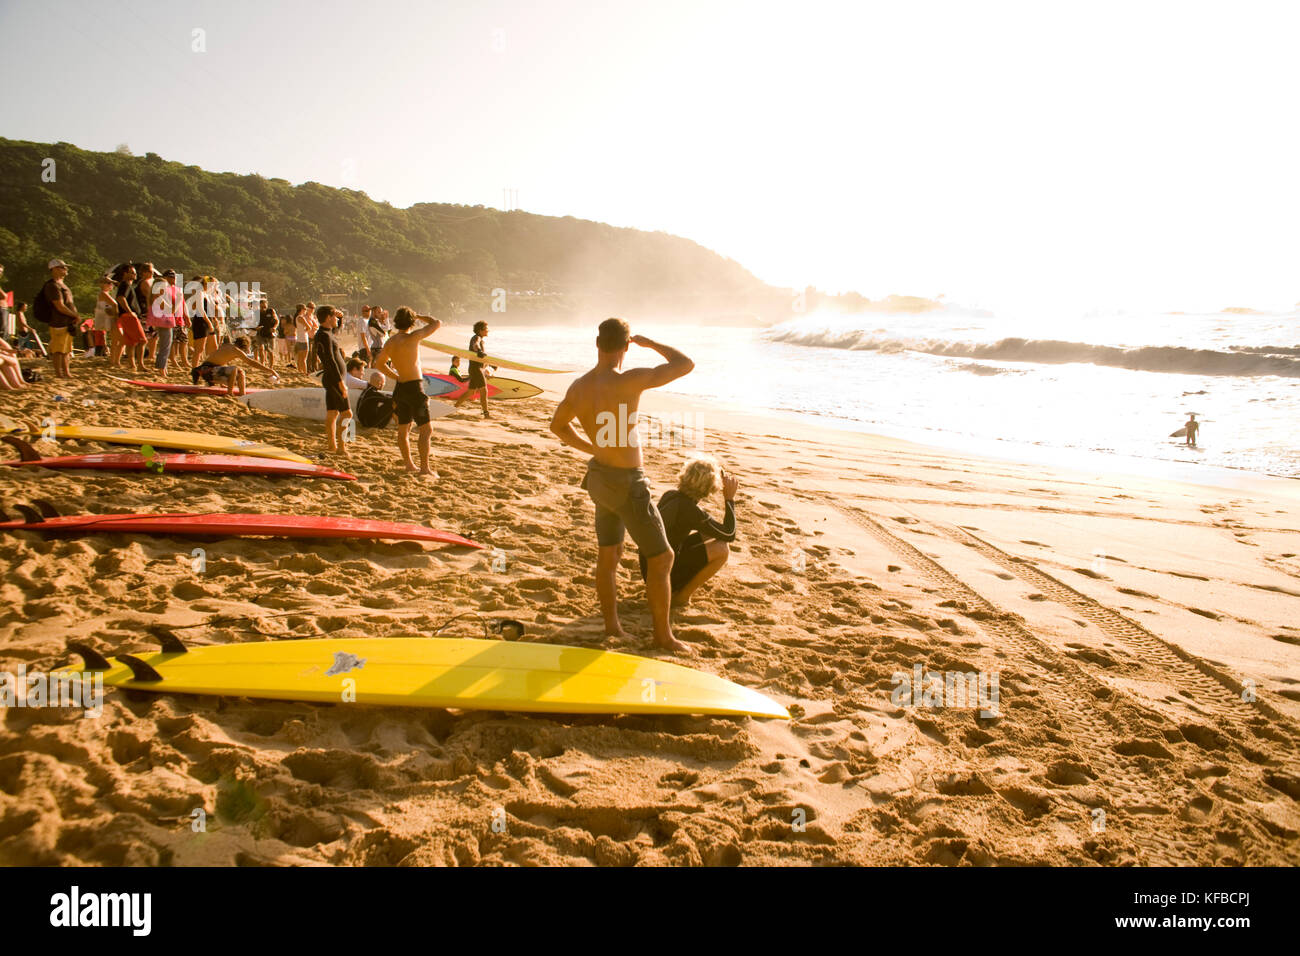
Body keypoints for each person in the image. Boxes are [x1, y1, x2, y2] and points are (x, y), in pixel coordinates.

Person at [549, 318, 694, 652]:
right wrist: (653, 343)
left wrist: (592, 447)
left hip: (599, 477)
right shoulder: (629, 381)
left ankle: (613, 627)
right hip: (628, 483)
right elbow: (685, 364)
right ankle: (663, 637)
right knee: (662, 558)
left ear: (597, 343)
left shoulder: (579, 387)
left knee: (609, 554)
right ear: (626, 346)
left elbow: (558, 426)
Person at [639, 458, 739, 606]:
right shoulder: (690, 511)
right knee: (722, 549)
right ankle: (682, 597)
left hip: (649, 567)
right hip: (662, 575)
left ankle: (672, 589)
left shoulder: (671, 495)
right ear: (709, 488)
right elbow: (730, 534)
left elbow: (716, 530)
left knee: (711, 533)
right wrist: (729, 499)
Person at [373, 307, 443, 475]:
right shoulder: (414, 337)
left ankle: (409, 465)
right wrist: (419, 315)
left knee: (403, 429)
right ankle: (425, 468)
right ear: (412, 322)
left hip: (401, 388)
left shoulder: (390, 342)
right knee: (426, 430)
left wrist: (395, 377)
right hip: (415, 388)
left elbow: (379, 364)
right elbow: (437, 323)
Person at [313, 305, 352, 455]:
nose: (337, 319)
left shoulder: (327, 332)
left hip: (333, 379)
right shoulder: (323, 335)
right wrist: (341, 383)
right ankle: (341, 447)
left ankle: (332, 445)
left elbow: (336, 328)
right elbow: (329, 361)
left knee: (332, 413)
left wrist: (340, 317)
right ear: (328, 318)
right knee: (347, 414)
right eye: (334, 317)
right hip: (334, 379)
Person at [191, 336, 279, 396]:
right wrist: (270, 370)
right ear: (243, 347)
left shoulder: (228, 346)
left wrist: (223, 384)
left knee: (241, 373)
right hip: (206, 371)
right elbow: (251, 362)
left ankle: (242, 395)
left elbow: (219, 362)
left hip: (211, 372)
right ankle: (229, 393)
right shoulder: (235, 350)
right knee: (235, 369)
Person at [41, 259, 81, 379]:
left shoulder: (62, 284)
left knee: (66, 350)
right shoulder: (53, 285)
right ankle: (59, 373)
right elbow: (59, 305)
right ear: (54, 269)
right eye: (62, 267)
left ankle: (66, 372)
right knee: (58, 351)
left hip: (67, 321)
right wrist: (75, 315)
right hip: (58, 322)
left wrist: (73, 316)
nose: (65, 269)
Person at [452, 320, 496, 417]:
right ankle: (486, 414)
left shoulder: (480, 339)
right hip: (476, 369)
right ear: (480, 330)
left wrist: (488, 366)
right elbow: (475, 345)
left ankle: (454, 408)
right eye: (486, 329)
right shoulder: (477, 337)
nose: (488, 331)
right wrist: (479, 351)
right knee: (484, 391)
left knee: (470, 392)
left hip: (476, 369)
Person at [113, 264, 146, 370]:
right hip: (128, 316)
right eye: (132, 272)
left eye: (135, 272)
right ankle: (140, 365)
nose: (135, 274)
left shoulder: (128, 285)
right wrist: (130, 311)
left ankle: (132, 365)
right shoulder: (125, 284)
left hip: (126, 316)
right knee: (142, 341)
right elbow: (120, 298)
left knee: (130, 342)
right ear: (125, 273)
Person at [92, 275, 117, 357]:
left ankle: (103, 352)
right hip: (103, 318)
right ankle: (103, 353)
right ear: (103, 284)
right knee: (103, 335)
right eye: (109, 283)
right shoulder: (103, 294)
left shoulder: (106, 294)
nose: (111, 285)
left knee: (103, 335)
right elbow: (114, 304)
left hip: (105, 317)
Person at [255, 302, 277, 368]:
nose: (263, 308)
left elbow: (276, 320)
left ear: (266, 305)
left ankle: (271, 366)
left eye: (264, 306)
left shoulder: (271, 311)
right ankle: (262, 364)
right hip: (260, 333)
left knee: (270, 351)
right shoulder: (257, 313)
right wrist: (255, 327)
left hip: (270, 334)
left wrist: (274, 328)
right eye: (261, 307)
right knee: (261, 349)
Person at [293, 303, 311, 373]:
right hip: (304, 339)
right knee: (304, 359)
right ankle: (304, 373)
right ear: (302, 310)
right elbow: (309, 327)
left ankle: (299, 371)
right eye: (305, 309)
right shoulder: (301, 317)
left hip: (299, 339)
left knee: (300, 359)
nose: (306, 310)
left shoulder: (297, 317)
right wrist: (305, 331)